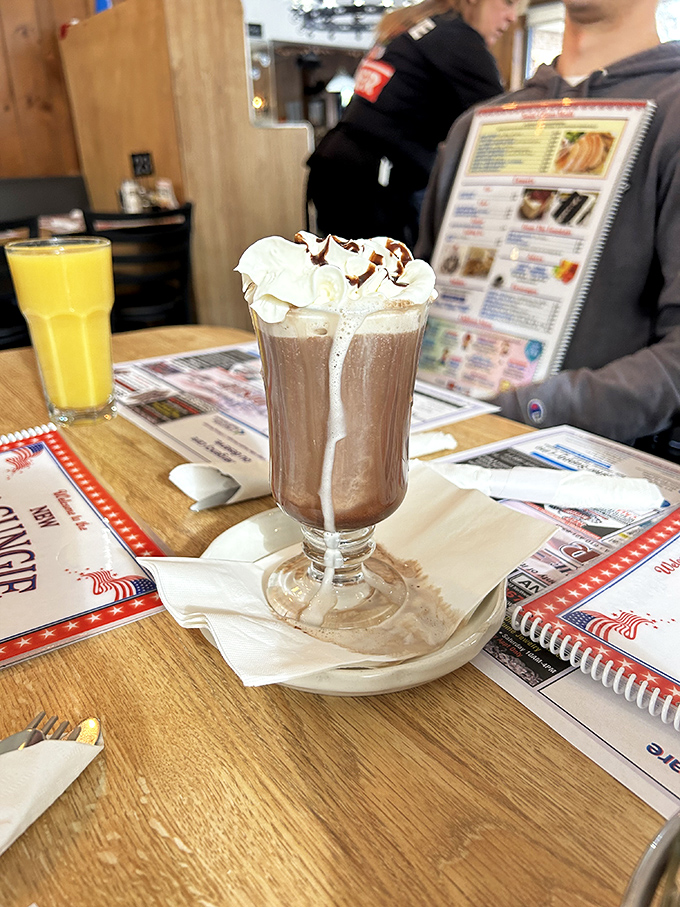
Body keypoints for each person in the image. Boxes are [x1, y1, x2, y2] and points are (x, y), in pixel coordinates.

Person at [416, 0, 680, 455]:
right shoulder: (476, 127)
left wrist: (531, 409)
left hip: (594, 469)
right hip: (435, 436)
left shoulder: (672, 117)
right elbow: (415, 298)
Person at [306, 0, 522, 248]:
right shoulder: (458, 38)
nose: (512, 17)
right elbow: (507, 128)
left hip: (337, 165)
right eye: (508, 2)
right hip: (371, 182)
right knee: (383, 280)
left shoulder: (417, 27)